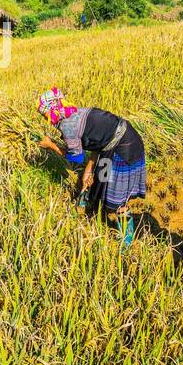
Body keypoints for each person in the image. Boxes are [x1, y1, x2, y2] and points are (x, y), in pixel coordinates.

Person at [36, 87, 147, 246]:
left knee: (116, 199)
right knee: (102, 182)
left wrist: (51, 145)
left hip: (124, 149)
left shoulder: (67, 125)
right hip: (115, 144)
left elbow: (76, 158)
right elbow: (97, 142)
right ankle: (91, 203)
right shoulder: (79, 112)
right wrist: (88, 171)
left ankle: (127, 237)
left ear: (49, 111)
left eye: (43, 114)